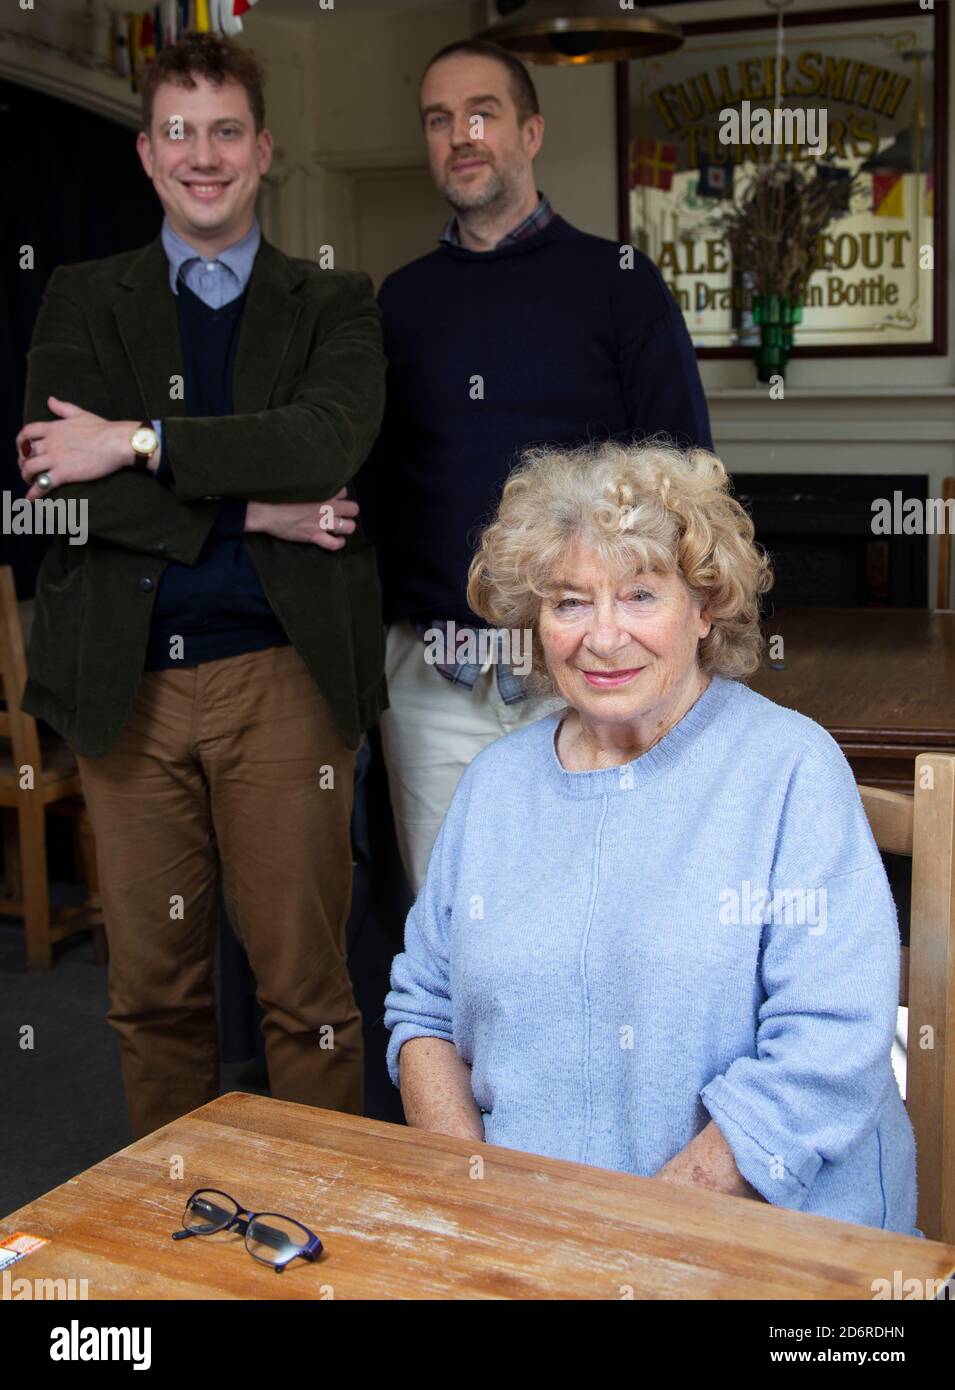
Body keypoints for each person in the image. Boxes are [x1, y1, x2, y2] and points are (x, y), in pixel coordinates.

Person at [384, 439, 917, 1233]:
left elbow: (828, 1045)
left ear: (705, 607)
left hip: (772, 1250)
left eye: (639, 595)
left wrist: (637, 1232)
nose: (602, 638)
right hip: (526, 1241)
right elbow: (423, 1011)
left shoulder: (789, 769)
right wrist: (478, 1197)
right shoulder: (495, 785)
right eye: (569, 601)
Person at [16, 32, 387, 1139]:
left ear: (264, 149)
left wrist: (133, 441)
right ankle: (172, 1232)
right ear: (145, 153)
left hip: (280, 680)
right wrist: (254, 510)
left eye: (226, 130)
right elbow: (60, 489)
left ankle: (323, 1217)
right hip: (124, 694)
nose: (203, 154)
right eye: (180, 131)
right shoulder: (83, 302)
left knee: (307, 997)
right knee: (153, 995)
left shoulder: (334, 301)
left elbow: (319, 443)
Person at [359, 39, 712, 894]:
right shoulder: (396, 301)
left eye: (482, 113)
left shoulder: (618, 281)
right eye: (438, 121)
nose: (460, 135)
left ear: (531, 131)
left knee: (603, 911)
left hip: (589, 665)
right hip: (436, 676)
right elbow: (374, 488)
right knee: (451, 928)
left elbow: (684, 479)